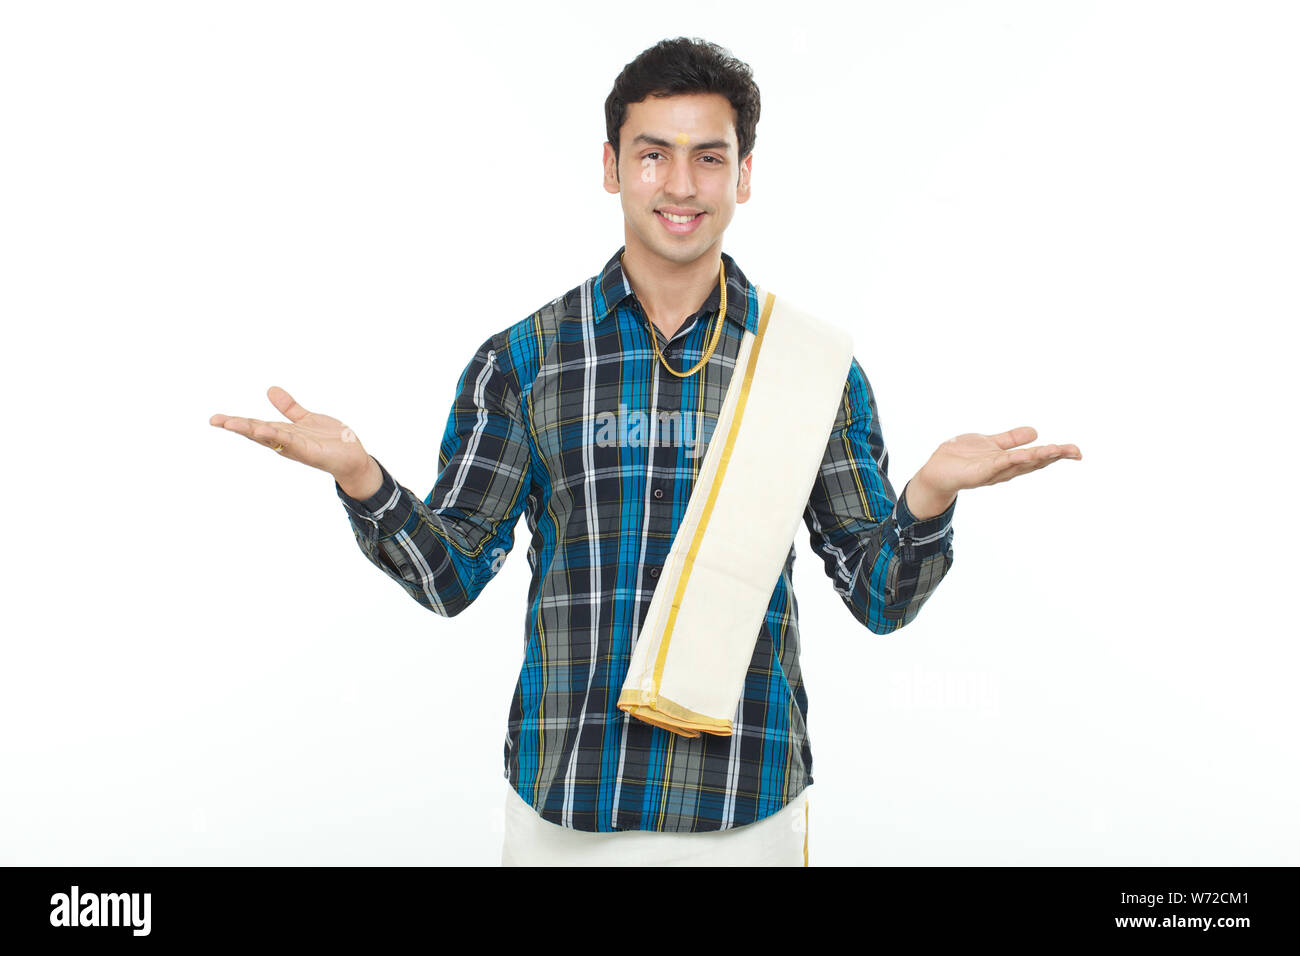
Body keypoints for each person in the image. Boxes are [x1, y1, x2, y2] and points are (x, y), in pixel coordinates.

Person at [209, 36, 1081, 866]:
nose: (681, 183)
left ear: (743, 175)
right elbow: (451, 577)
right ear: (611, 166)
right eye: (653, 152)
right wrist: (363, 479)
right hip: (565, 809)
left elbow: (880, 598)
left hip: (750, 810)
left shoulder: (811, 367)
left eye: (709, 157)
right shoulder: (526, 360)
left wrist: (928, 495)